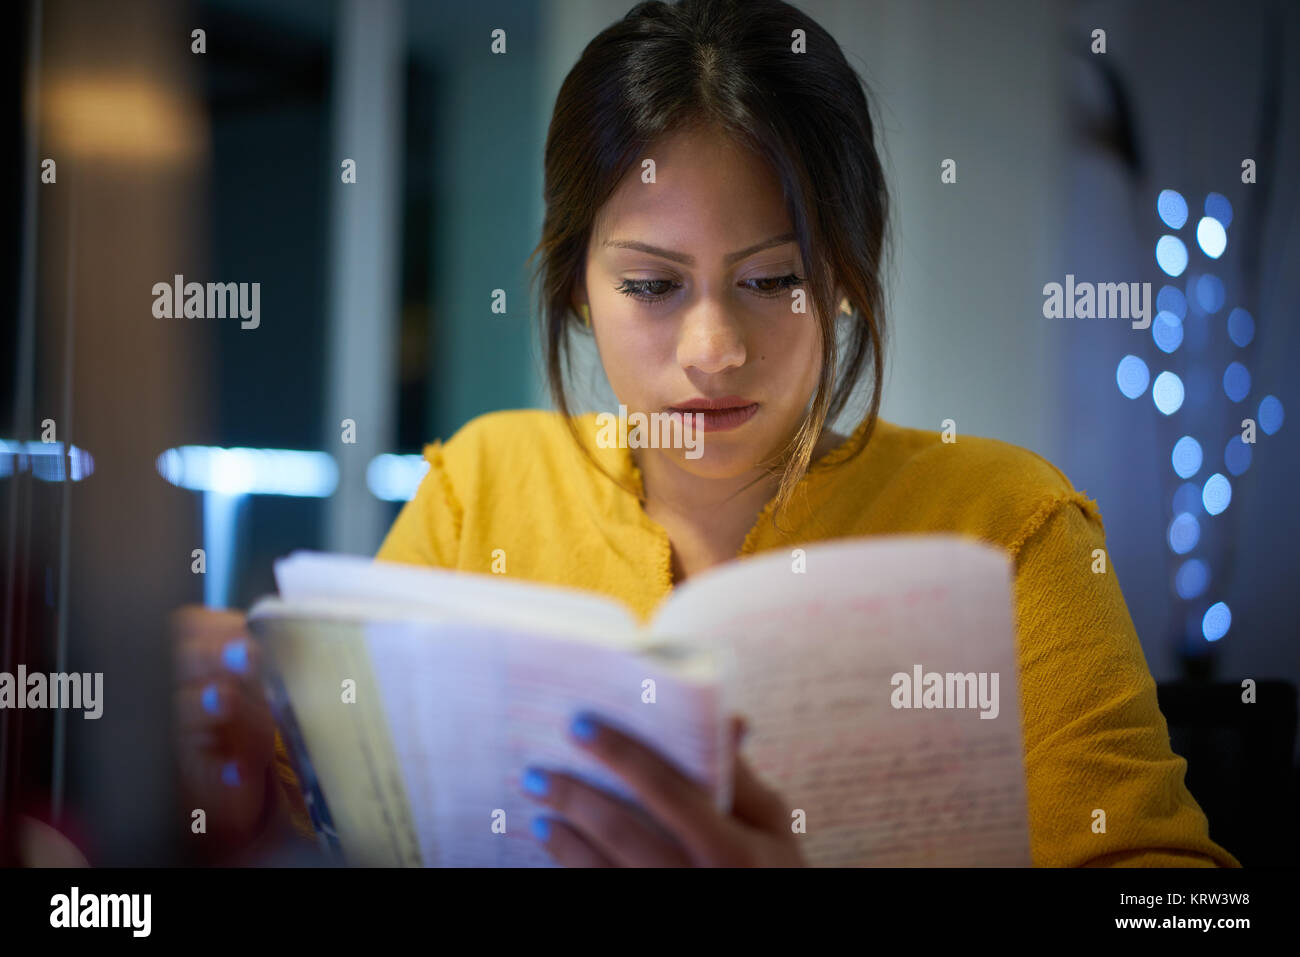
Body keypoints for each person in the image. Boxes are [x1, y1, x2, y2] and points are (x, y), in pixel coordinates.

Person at [173, 0, 1240, 867]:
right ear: (577, 289)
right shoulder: (484, 486)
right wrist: (221, 762)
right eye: (651, 285)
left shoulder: (1007, 525)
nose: (714, 349)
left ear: (846, 283)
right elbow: (330, 812)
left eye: (773, 280)